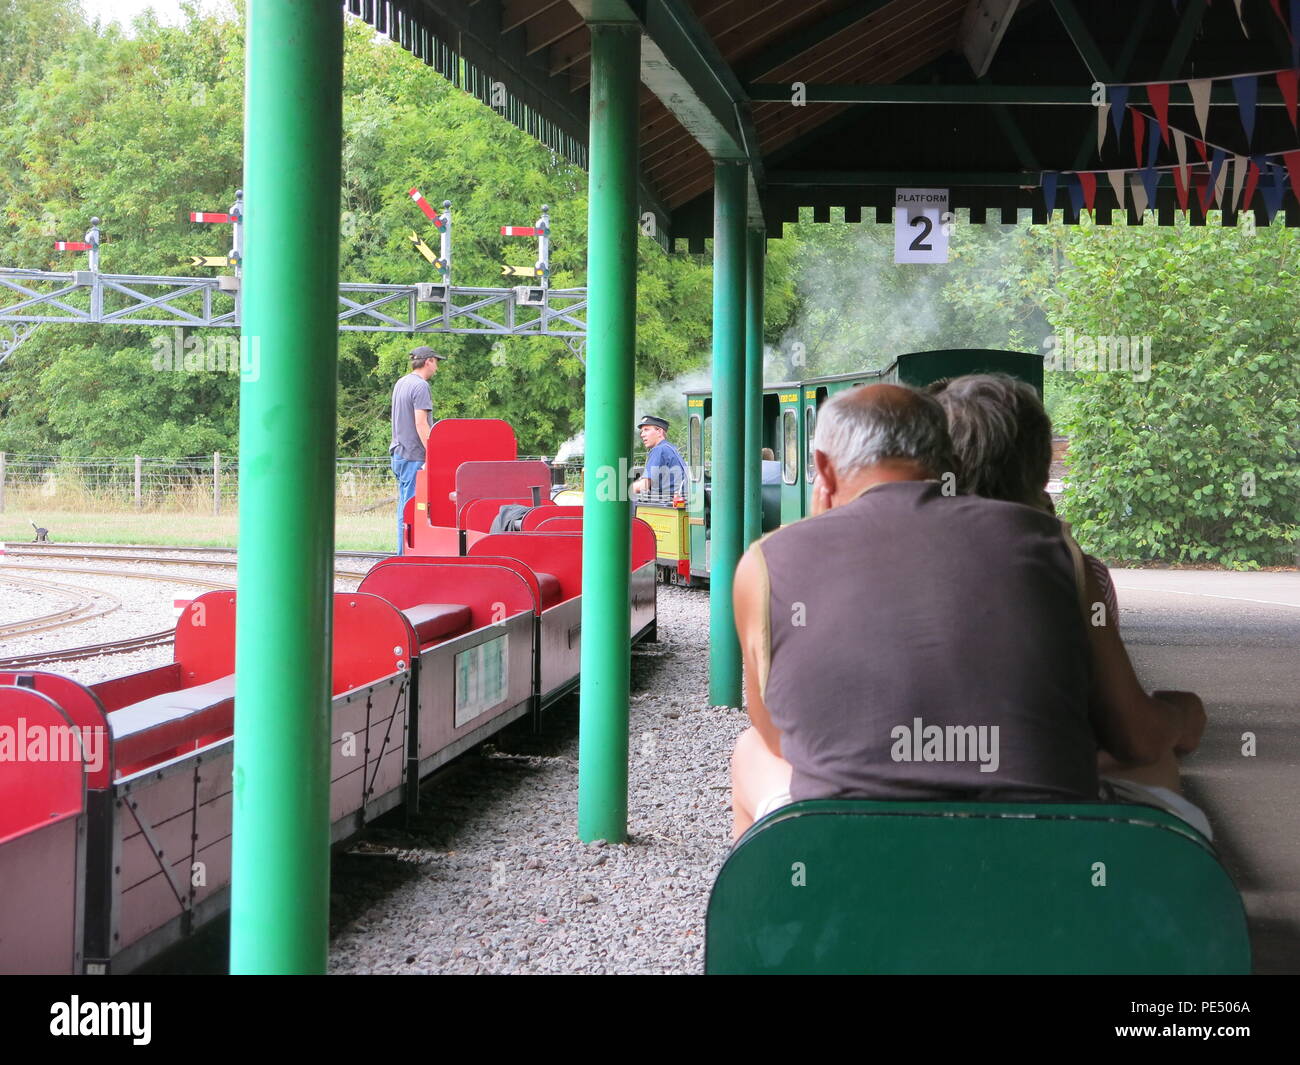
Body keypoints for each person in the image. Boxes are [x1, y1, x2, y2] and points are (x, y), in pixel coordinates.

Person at [730, 383, 1104, 839]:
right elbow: (1128, 735)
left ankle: (771, 907)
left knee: (750, 749)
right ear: (950, 459)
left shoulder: (768, 560)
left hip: (851, 850)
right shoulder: (1051, 542)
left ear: (824, 468)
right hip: (1042, 848)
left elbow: (779, 737)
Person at [928, 373, 1210, 836]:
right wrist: (1180, 717)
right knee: (1152, 760)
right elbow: (1127, 734)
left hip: (893, 802)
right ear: (1041, 471)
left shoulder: (863, 554)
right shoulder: (1068, 564)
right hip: (1036, 811)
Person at [389, 345, 444, 553]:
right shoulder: (420, 386)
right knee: (411, 509)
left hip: (399, 452)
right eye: (436, 362)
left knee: (404, 506)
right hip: (413, 455)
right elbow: (421, 423)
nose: (436, 367)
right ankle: (405, 555)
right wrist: (433, 453)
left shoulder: (401, 383)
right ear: (428, 361)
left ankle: (403, 553)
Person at [632, 414, 687, 498]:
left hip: (668, 502)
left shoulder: (659, 450)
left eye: (646, 430)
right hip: (678, 498)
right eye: (642, 431)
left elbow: (644, 486)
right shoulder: (670, 448)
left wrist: (626, 489)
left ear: (659, 431)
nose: (642, 435)